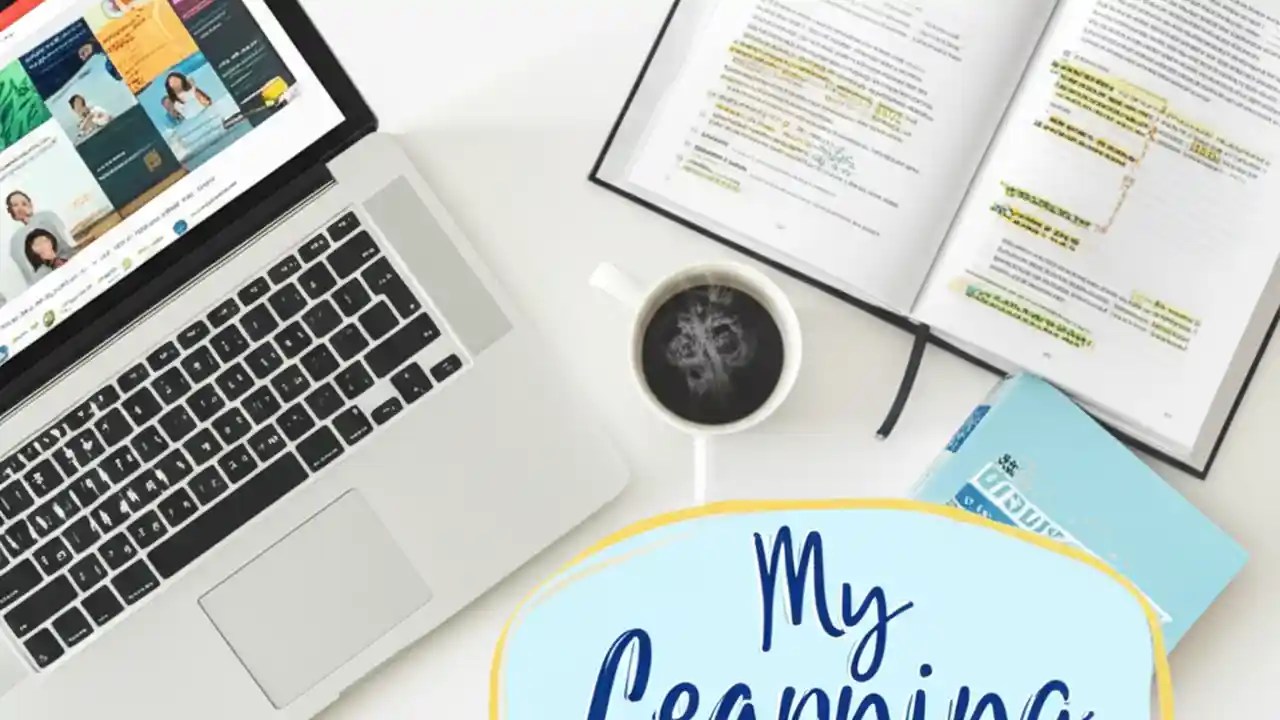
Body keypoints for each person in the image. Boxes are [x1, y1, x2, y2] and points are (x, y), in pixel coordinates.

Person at [7, 191, 73, 285]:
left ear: (30, 203)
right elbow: (28, 274)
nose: (21, 206)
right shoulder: (16, 240)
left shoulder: (48, 217)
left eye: (23, 202)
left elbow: (68, 243)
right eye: (15, 205)